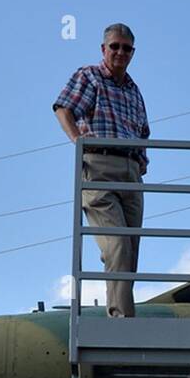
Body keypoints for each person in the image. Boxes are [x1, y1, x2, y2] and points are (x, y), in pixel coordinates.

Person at [53, 23, 150, 318]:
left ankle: (122, 312)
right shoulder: (90, 76)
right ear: (103, 49)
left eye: (126, 48)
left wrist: (142, 159)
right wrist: (76, 139)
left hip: (131, 172)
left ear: (133, 52)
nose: (120, 52)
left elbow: (143, 130)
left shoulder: (134, 90)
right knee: (117, 245)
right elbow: (63, 108)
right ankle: (121, 321)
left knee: (130, 251)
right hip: (99, 166)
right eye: (115, 46)